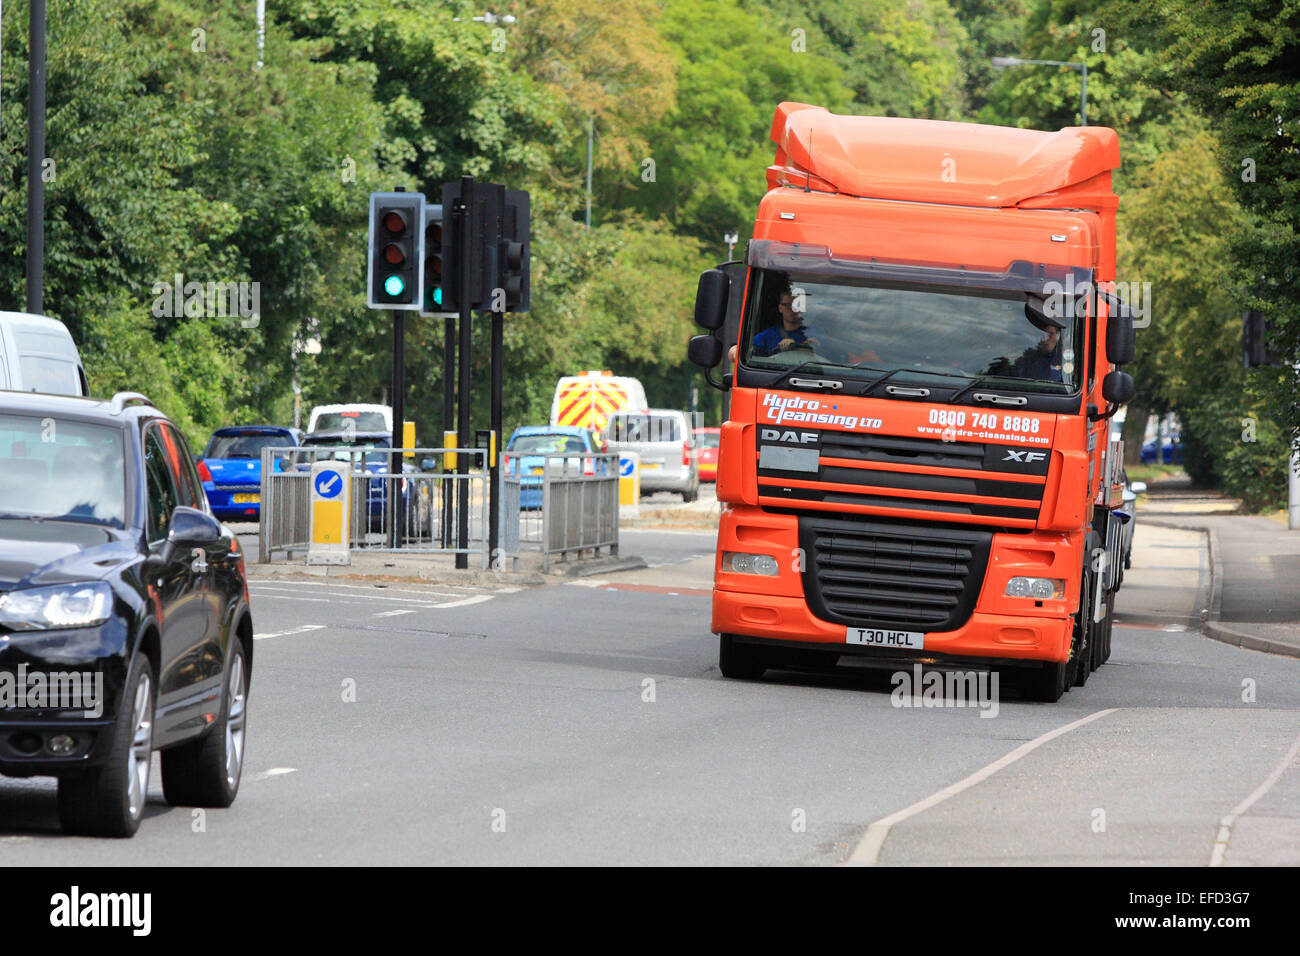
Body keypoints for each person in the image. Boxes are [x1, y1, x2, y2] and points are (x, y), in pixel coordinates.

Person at [752, 288, 819, 357]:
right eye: (788, 305)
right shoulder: (768, 335)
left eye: (797, 305)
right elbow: (748, 351)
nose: (793, 309)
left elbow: (824, 352)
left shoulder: (812, 334)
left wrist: (811, 346)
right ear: (780, 308)